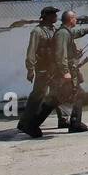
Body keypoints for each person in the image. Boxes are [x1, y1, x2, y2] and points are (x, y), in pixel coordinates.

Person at [33, 10, 88, 133]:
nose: (76, 20)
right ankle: (32, 124)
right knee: (59, 98)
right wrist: (65, 72)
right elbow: (60, 55)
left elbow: (74, 33)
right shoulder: (62, 34)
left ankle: (74, 123)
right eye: (75, 18)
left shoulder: (66, 32)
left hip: (65, 71)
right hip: (61, 73)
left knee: (68, 96)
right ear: (70, 19)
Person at [17, 7, 64, 138]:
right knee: (38, 95)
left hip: (54, 67)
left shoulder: (55, 30)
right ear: (46, 16)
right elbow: (31, 51)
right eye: (53, 14)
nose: (56, 16)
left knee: (58, 92)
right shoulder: (37, 32)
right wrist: (30, 69)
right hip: (43, 68)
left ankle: (63, 119)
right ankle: (25, 122)